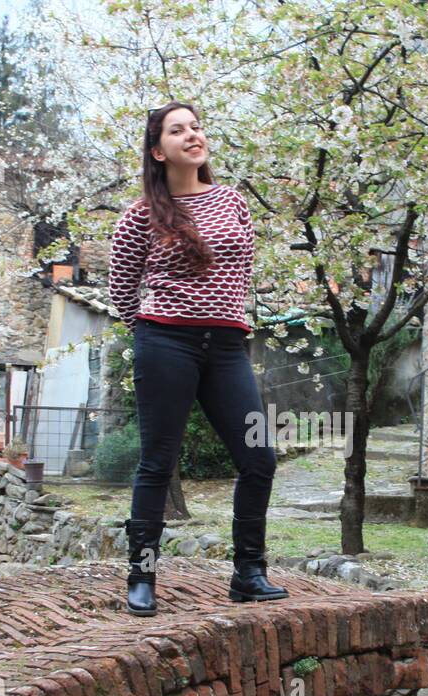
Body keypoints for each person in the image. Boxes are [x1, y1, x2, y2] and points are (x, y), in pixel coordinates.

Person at [108, 101, 289, 616]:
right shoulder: (140, 216)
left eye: (196, 126)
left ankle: (249, 573)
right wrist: (157, 331)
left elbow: (239, 273)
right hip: (165, 342)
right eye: (177, 130)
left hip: (227, 346)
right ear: (157, 151)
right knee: (158, 461)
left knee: (258, 456)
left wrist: (215, 314)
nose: (192, 135)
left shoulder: (232, 201)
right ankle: (141, 575)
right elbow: (121, 289)